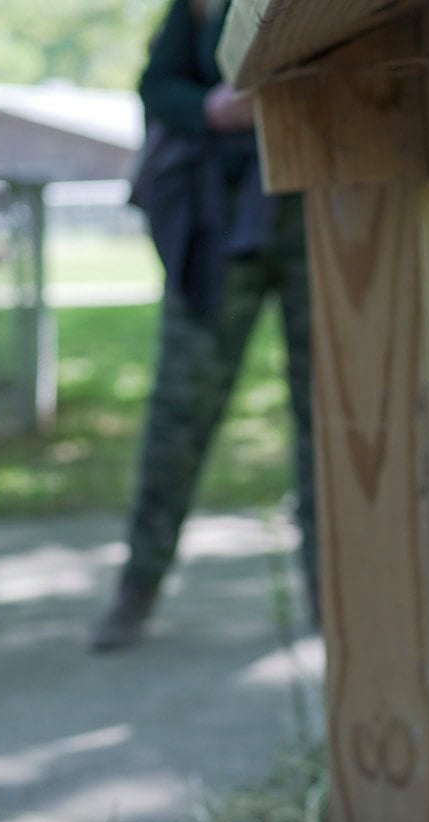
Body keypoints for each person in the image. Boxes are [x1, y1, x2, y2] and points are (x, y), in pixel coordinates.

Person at [90, 0, 317, 652]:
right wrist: (210, 111)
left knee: (331, 414)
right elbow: (157, 87)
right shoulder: (194, 11)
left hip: (320, 216)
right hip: (220, 221)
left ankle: (333, 601)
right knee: (180, 412)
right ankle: (139, 587)